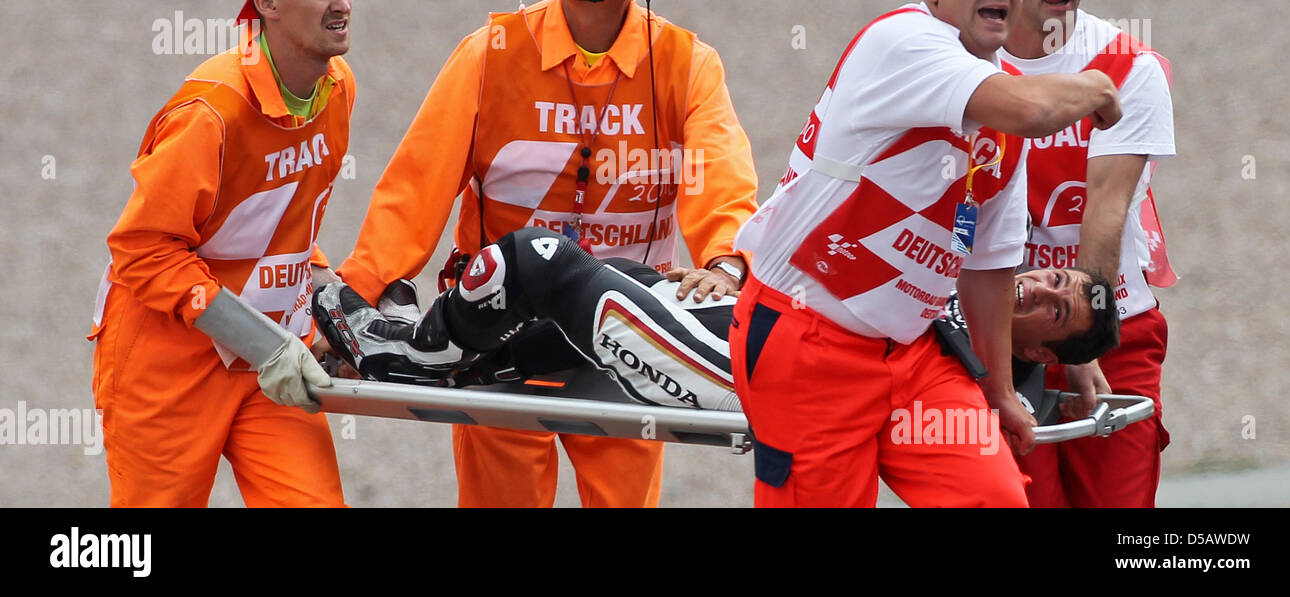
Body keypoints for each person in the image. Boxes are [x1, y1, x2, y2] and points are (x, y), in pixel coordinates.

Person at [334, 0, 758, 507]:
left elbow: (719, 175)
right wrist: (353, 303)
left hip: (623, 331)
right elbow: (415, 189)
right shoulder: (489, 54)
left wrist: (726, 262)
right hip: (494, 328)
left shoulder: (687, 63)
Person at [725, 0, 1126, 508]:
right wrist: (1097, 83)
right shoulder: (905, 41)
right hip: (810, 342)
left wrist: (998, 390)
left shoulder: (1005, 96)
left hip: (913, 354)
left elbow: (990, 267)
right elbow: (1039, 109)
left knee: (995, 497)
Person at [89, 0, 355, 507]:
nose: (341, 6)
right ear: (267, 3)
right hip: (168, 370)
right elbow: (141, 250)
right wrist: (263, 343)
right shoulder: (209, 114)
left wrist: (337, 305)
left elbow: (287, 226)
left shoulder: (337, 88)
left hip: (269, 363)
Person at [313, 228, 1118, 420]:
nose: (1040, 289)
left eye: (1055, 309)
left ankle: (407, 356)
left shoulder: (988, 374)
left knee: (539, 259)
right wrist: (733, 267)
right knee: (616, 271)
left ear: (1045, 348)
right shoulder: (963, 283)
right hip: (736, 323)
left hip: (736, 370)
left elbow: (1003, 406)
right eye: (1054, 276)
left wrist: (1048, 380)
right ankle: (458, 357)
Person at [997, 0, 1176, 507]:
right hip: (1002, 332)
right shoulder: (964, 64)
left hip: (1112, 325)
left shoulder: (1130, 66)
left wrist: (1079, 340)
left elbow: (1104, 210)